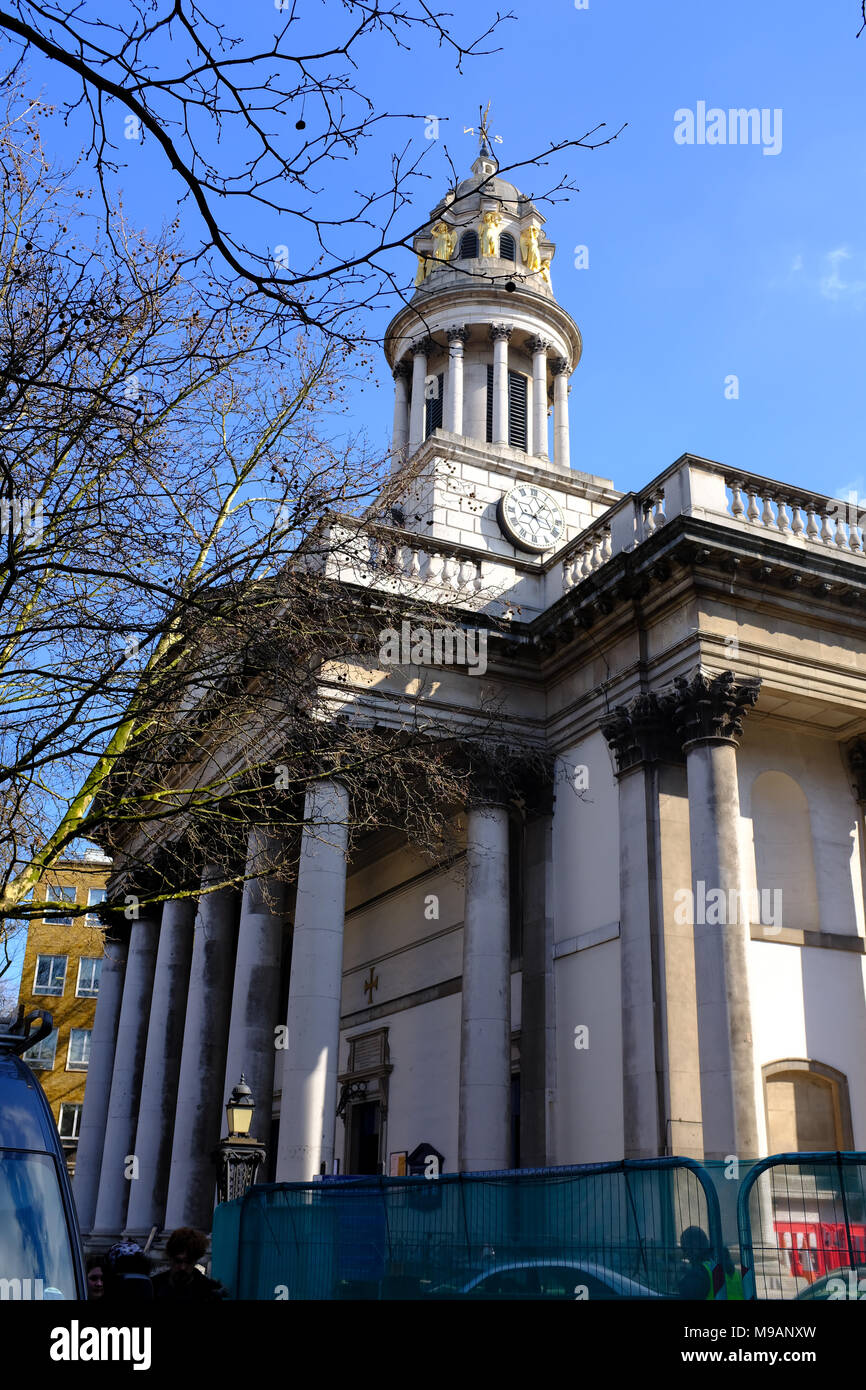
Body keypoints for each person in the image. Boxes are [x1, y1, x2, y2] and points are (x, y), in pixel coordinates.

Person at [151, 1227, 228, 1301]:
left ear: (195, 1261)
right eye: (178, 1261)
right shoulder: (154, 1286)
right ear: (171, 1258)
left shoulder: (209, 1290)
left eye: (189, 1262)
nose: (183, 1267)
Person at [678, 1226, 744, 1300]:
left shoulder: (700, 1274)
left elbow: (687, 1294)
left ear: (693, 1248)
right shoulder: (736, 1273)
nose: (685, 1254)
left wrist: (681, 1279)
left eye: (684, 1249)